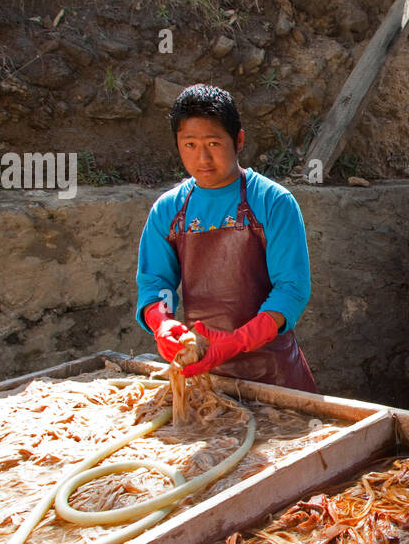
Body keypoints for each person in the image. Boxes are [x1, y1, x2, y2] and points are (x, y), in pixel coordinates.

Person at [135, 84, 318, 392]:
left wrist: (236, 342)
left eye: (213, 143)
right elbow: (155, 284)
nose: (202, 158)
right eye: (189, 144)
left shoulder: (273, 201)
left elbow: (292, 289)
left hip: (273, 375)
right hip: (205, 374)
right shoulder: (168, 209)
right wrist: (162, 323)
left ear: (239, 140)